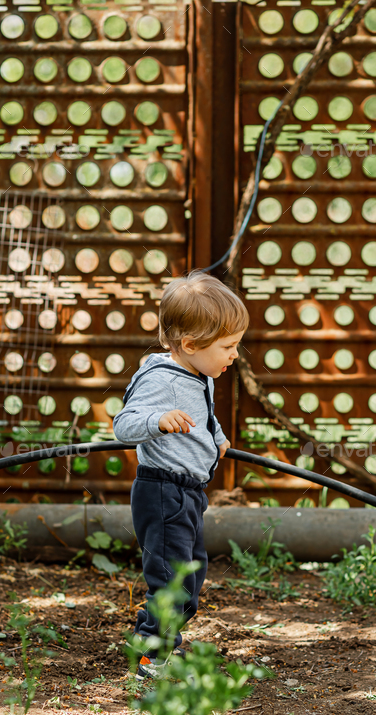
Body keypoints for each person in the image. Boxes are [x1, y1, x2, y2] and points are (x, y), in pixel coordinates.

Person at [113, 270, 249, 679]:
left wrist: (217, 436)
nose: (234, 355)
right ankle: (154, 661)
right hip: (163, 491)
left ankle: (147, 642)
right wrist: (157, 419)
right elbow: (124, 425)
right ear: (189, 344)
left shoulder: (196, 373)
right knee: (173, 583)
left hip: (188, 493)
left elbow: (201, 415)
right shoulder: (161, 380)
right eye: (228, 346)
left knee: (189, 579)